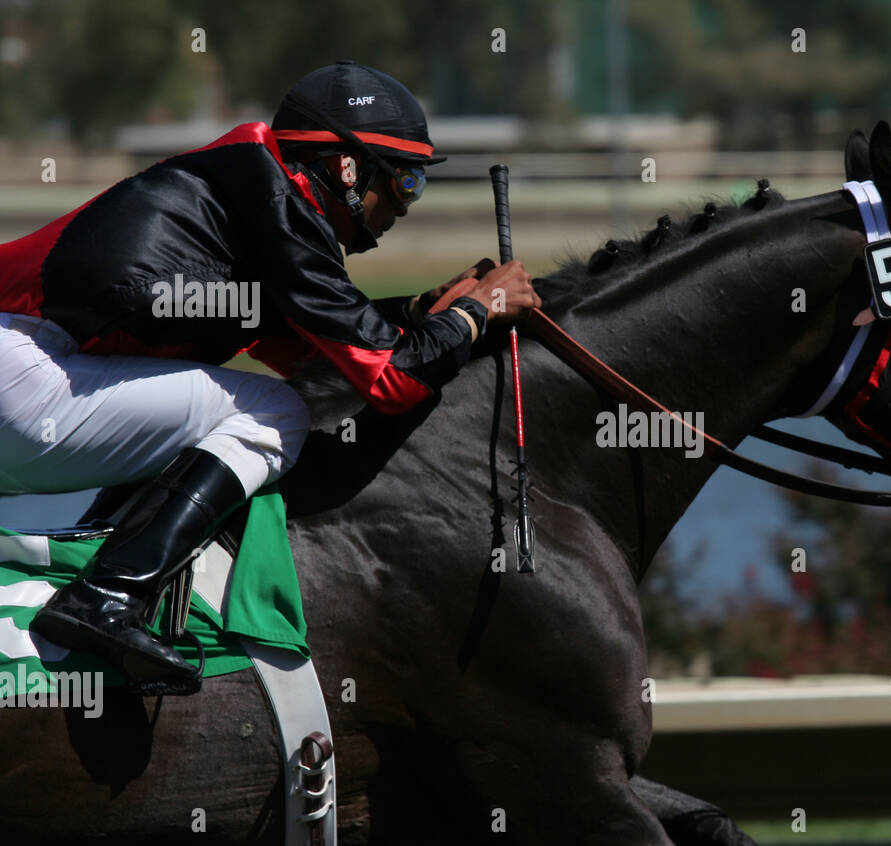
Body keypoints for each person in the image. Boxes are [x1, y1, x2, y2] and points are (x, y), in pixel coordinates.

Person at [0, 60, 540, 691]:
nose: (403, 207)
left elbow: (306, 347)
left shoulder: (247, 193)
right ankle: (107, 595)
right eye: (404, 181)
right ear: (347, 168)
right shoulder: (281, 207)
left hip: (28, 375)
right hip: (26, 377)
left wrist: (424, 314)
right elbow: (393, 384)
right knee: (277, 411)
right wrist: (481, 312)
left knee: (254, 399)